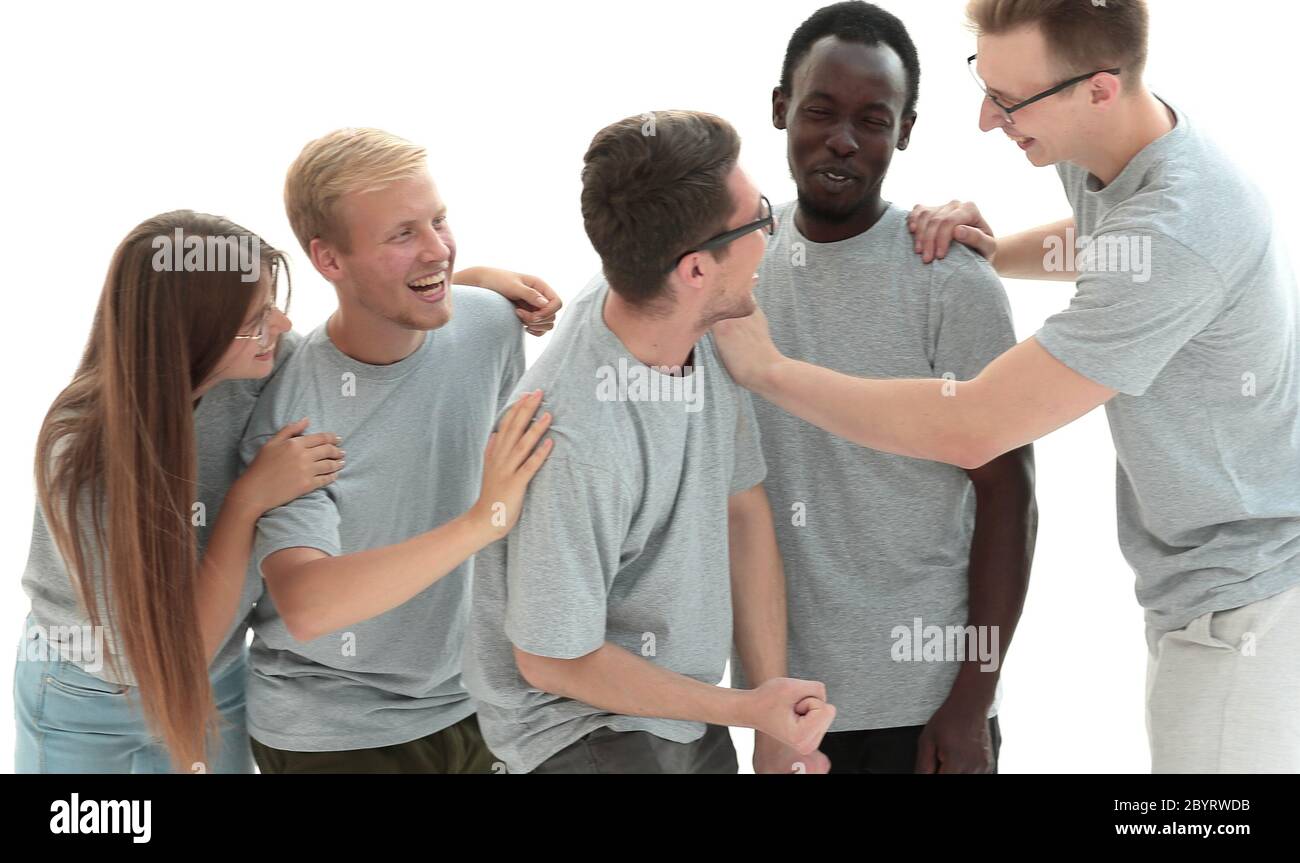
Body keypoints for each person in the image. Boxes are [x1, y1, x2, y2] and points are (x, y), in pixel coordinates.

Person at [714, 0, 1300, 773]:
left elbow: (976, 427)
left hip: (1252, 598)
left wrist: (771, 372)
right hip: (1194, 593)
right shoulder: (1112, 150)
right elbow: (1109, 240)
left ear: (1097, 89)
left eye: (1011, 99)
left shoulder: (1185, 226)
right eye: (983, 85)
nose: (989, 119)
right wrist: (993, 253)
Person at [465, 110, 835, 775]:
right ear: (695, 269)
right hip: (577, 730)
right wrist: (748, 709)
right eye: (760, 222)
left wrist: (771, 724)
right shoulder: (575, 439)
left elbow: (743, 507)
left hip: (678, 704)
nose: (773, 238)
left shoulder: (701, 325)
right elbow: (549, 656)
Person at [740, 1, 1036, 775]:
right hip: (786, 706)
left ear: (904, 130)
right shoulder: (733, 275)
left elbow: (1010, 494)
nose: (843, 139)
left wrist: (972, 701)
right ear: (780, 109)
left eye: (873, 119)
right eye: (820, 111)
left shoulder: (950, 279)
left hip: (927, 709)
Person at [240, 127, 554, 773]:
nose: (438, 248)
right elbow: (306, 602)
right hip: (334, 727)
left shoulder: (490, 325)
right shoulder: (294, 410)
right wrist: (481, 521)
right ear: (329, 261)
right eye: (403, 234)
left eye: (438, 220)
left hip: (470, 702)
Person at [15, 210, 337, 773]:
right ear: (194, 337)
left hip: (217, 679)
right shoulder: (80, 449)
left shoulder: (261, 366)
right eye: (258, 318)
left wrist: (469, 295)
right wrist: (247, 501)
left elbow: (358, 349)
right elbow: (173, 657)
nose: (283, 326)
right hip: (85, 696)